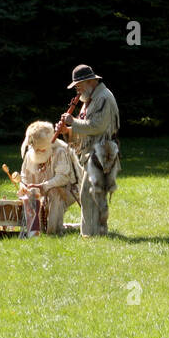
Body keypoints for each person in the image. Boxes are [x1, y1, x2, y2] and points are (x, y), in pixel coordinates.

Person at [59, 64, 120, 237]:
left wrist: (72, 122)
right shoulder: (90, 100)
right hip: (93, 153)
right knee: (90, 195)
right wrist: (67, 131)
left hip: (102, 152)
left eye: (79, 85)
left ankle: (92, 236)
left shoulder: (103, 98)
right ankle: (94, 234)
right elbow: (85, 130)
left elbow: (97, 126)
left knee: (90, 194)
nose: (77, 90)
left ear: (91, 81)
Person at [17, 121, 81, 236]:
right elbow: (24, 176)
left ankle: (54, 231)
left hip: (67, 190)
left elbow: (63, 178)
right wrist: (23, 186)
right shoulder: (30, 153)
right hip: (41, 191)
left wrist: (43, 186)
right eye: (35, 148)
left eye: (40, 149)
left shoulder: (60, 151)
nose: (36, 151)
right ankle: (36, 229)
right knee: (29, 194)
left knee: (55, 191)